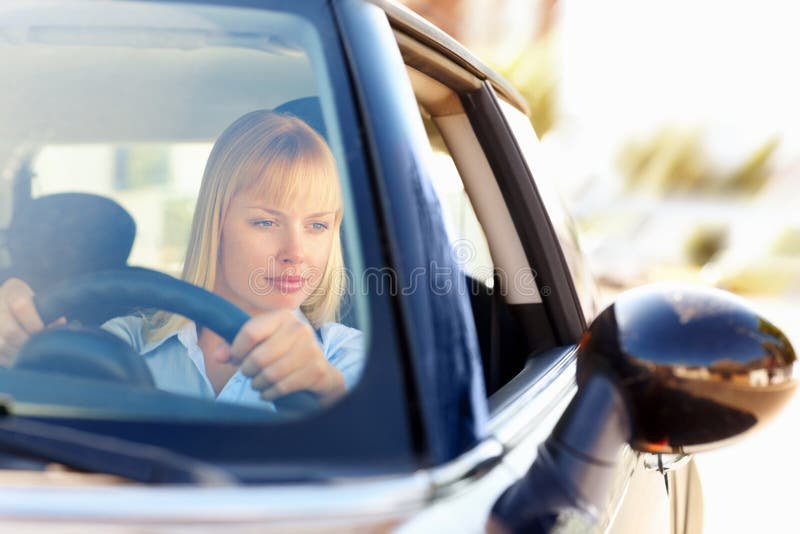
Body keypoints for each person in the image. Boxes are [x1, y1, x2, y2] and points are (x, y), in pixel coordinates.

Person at [0, 109, 363, 409]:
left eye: (317, 225)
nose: (296, 253)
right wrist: (21, 348)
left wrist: (329, 396)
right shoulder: (126, 344)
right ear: (215, 224)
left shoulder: (348, 359)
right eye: (265, 222)